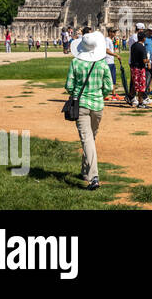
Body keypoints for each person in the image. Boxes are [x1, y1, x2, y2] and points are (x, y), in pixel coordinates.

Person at [64, 32, 113, 190]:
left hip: (82, 104)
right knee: (90, 138)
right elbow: (109, 87)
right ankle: (86, 172)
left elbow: (69, 86)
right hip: (98, 106)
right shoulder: (102, 63)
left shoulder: (75, 63)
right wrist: (100, 95)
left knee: (87, 139)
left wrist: (77, 94)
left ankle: (93, 177)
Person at [128, 27, 150, 109]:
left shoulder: (134, 45)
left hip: (133, 67)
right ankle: (140, 102)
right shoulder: (142, 47)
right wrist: (148, 60)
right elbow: (144, 60)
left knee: (135, 84)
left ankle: (130, 96)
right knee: (141, 86)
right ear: (144, 38)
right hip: (140, 68)